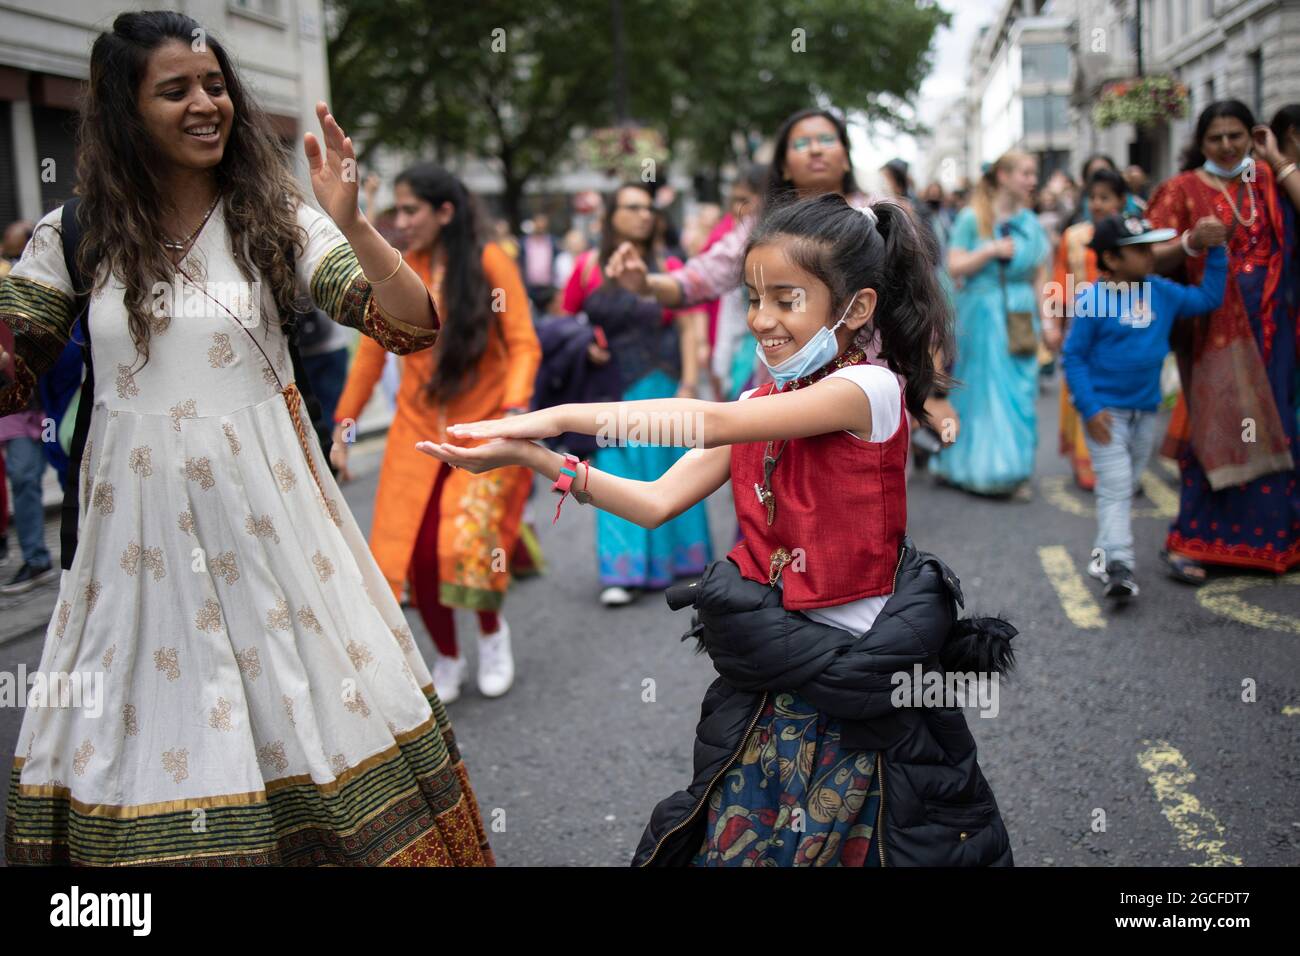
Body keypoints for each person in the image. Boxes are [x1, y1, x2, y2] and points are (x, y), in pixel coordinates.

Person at [0, 11, 493, 866]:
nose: (206, 104)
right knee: (156, 734)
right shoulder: (74, 234)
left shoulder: (278, 218)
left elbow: (410, 326)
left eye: (215, 85)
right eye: (176, 90)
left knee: (307, 715)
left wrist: (356, 224)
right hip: (134, 549)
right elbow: (14, 368)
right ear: (123, 108)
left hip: (275, 532)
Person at [418, 194, 1014, 867]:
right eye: (754, 298)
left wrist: (554, 416)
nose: (761, 319)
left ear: (857, 308)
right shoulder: (763, 400)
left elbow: (709, 422)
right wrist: (536, 458)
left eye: (787, 299)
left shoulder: (868, 390)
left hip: (859, 683)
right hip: (775, 674)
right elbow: (653, 502)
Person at [607, 107, 960, 445]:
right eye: (801, 143)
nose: (815, 149)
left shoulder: (878, 218)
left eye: (826, 139)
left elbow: (918, 305)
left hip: (870, 392)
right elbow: (702, 277)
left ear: (845, 156)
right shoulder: (765, 225)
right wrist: (646, 283)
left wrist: (933, 392)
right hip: (785, 388)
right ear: (784, 166)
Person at [332, 163, 540, 703]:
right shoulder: (395, 270)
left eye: (411, 210)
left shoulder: (490, 260)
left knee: (467, 546)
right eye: (396, 210)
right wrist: (344, 428)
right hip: (416, 433)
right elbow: (369, 357)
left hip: (485, 428)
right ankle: (447, 654)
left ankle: (491, 634)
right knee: (414, 555)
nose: (401, 221)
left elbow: (523, 342)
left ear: (445, 212)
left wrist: (516, 410)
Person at [1146, 100, 1300, 583]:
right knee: (1217, 433)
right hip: (1213, 335)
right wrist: (1190, 242)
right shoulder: (1181, 189)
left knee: (1272, 428)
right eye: (1216, 137)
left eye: (1237, 135)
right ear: (1201, 142)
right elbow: (1146, 259)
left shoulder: (1267, 180)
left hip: (1273, 332)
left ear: (1252, 136)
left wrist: (1278, 159)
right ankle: (1194, 542)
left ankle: (1272, 541)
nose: (1228, 146)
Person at [561, 183, 710, 606]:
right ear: (610, 216)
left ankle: (681, 563)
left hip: (662, 384)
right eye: (632, 207)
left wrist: (689, 384)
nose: (644, 215)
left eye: (648, 208)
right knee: (613, 474)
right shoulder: (587, 267)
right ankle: (622, 571)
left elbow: (687, 327)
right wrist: (584, 343)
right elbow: (563, 322)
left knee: (672, 471)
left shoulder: (668, 265)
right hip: (607, 390)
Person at [1062, 214, 1227, 600]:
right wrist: (1090, 408)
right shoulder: (1092, 300)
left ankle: (1104, 555)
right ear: (1112, 259)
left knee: (1126, 485)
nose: (1151, 254)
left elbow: (1209, 298)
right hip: (1106, 415)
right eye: (1139, 249)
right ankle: (1119, 566)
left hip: (1145, 413)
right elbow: (1073, 357)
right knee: (1117, 487)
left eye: (1150, 246)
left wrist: (1216, 249)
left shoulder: (1161, 291)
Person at [930, 151, 1051, 498]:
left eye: (1034, 174)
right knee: (980, 393)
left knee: (1020, 393)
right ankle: (983, 469)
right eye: (1026, 173)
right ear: (1003, 176)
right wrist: (989, 250)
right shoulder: (972, 218)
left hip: (1020, 315)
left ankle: (1013, 468)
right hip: (981, 314)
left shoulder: (1030, 222)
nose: (1032, 181)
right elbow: (953, 266)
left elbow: (1040, 276)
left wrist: (1048, 320)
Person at [1051, 168, 1129, 490]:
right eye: (1093, 197)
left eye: (1105, 198)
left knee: (1117, 392)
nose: (1097, 204)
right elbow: (1060, 283)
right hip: (1082, 326)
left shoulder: (1132, 236)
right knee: (1083, 389)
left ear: (1121, 201)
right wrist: (1055, 324)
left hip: (1122, 329)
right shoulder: (1074, 236)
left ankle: (1118, 460)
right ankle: (1088, 464)